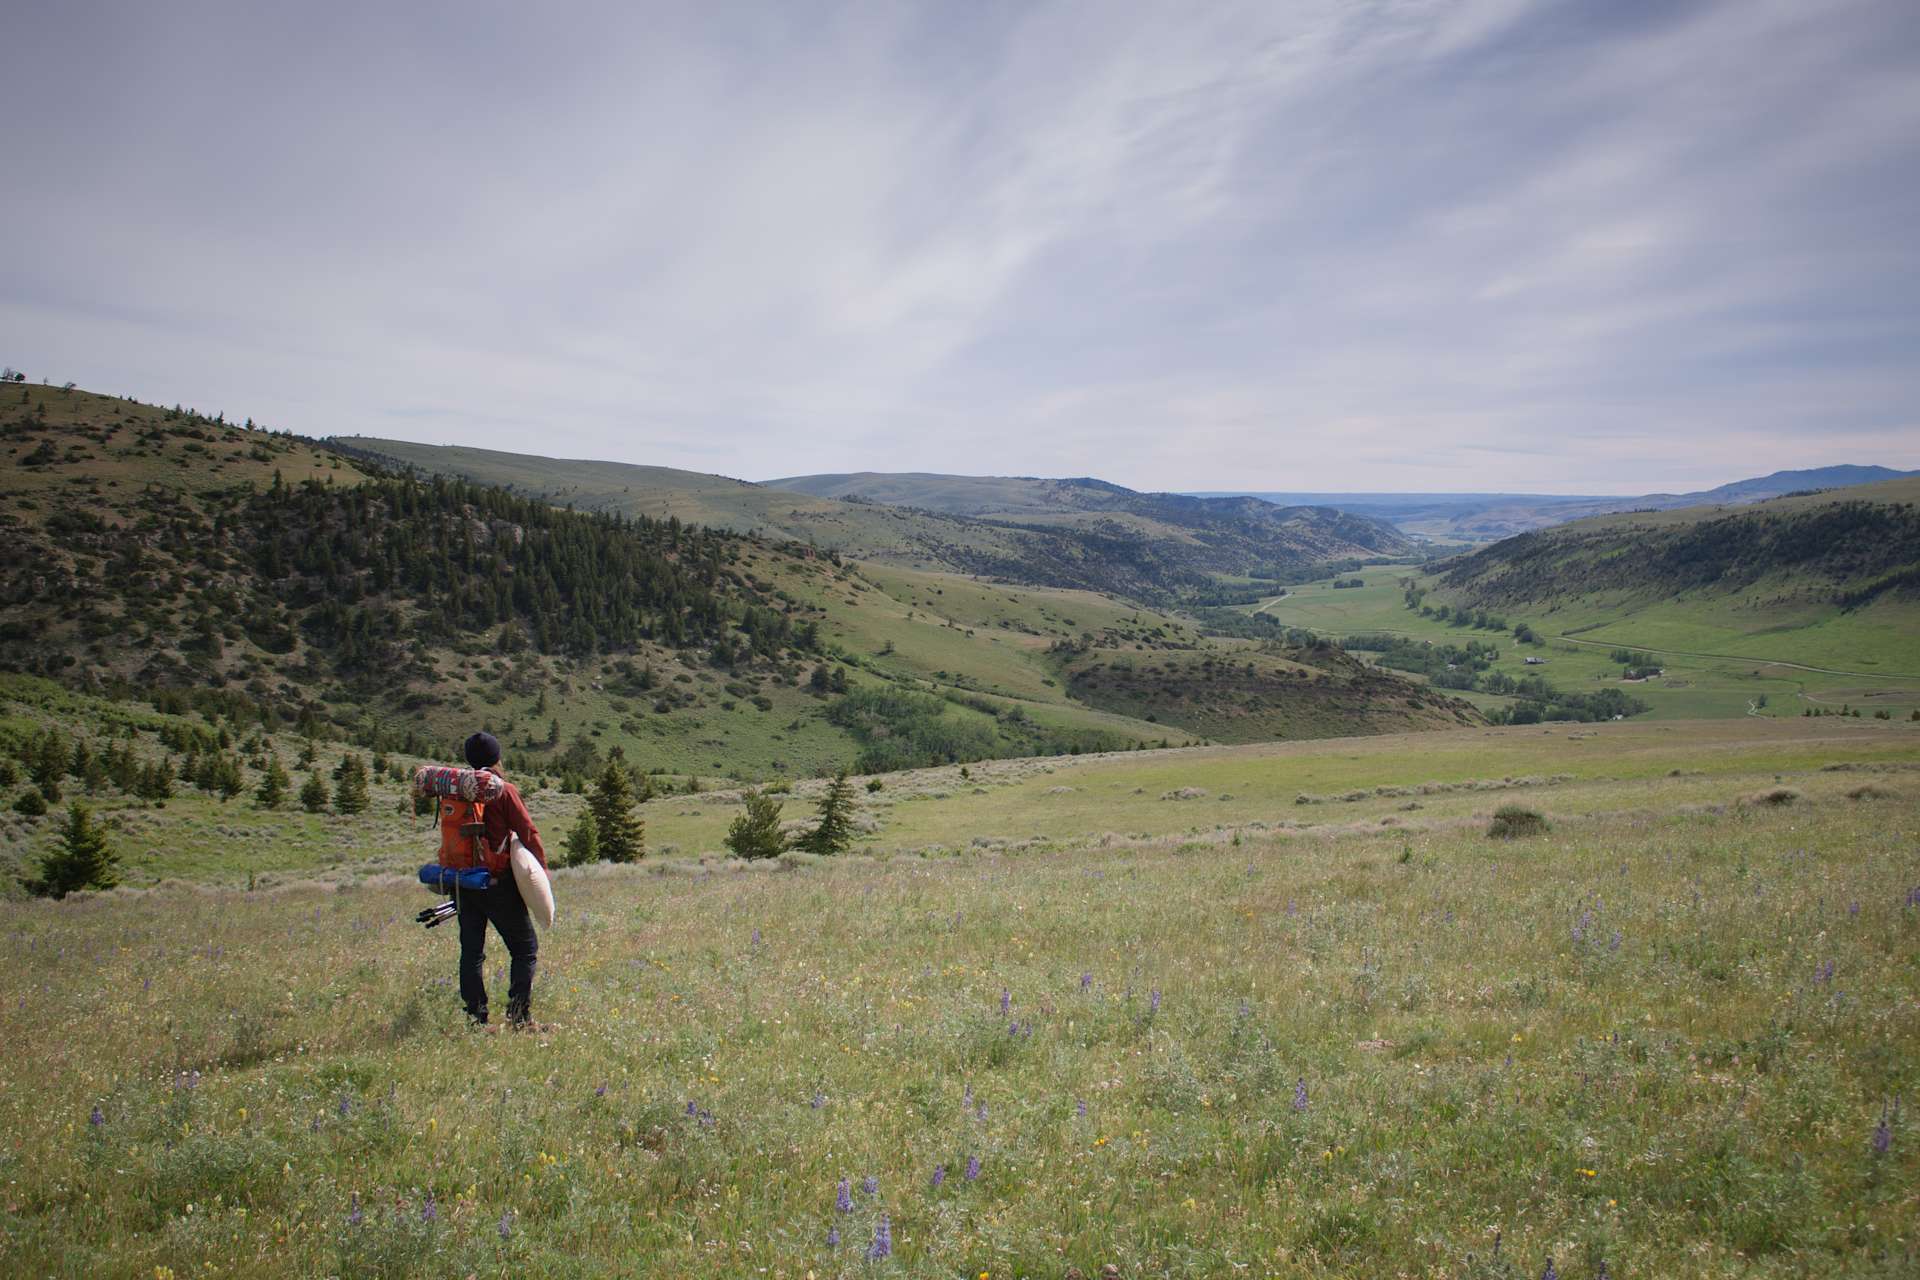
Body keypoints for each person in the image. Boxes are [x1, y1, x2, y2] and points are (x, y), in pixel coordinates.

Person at [455, 731, 549, 1029]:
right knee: (524, 950)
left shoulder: (456, 789)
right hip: (497, 883)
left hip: (463, 883)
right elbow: (528, 832)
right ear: (497, 758)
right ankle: (519, 1018)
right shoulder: (502, 790)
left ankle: (476, 1019)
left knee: (471, 952)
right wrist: (542, 875)